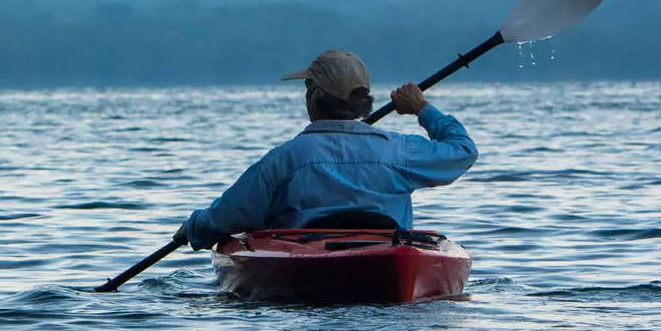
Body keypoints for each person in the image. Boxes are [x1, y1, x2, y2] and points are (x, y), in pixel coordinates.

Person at [179, 49, 477, 250]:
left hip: (306, 263)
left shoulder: (286, 158)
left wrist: (194, 228)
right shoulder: (399, 151)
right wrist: (422, 109)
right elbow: (462, 150)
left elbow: (231, 214)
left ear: (312, 96)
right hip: (385, 254)